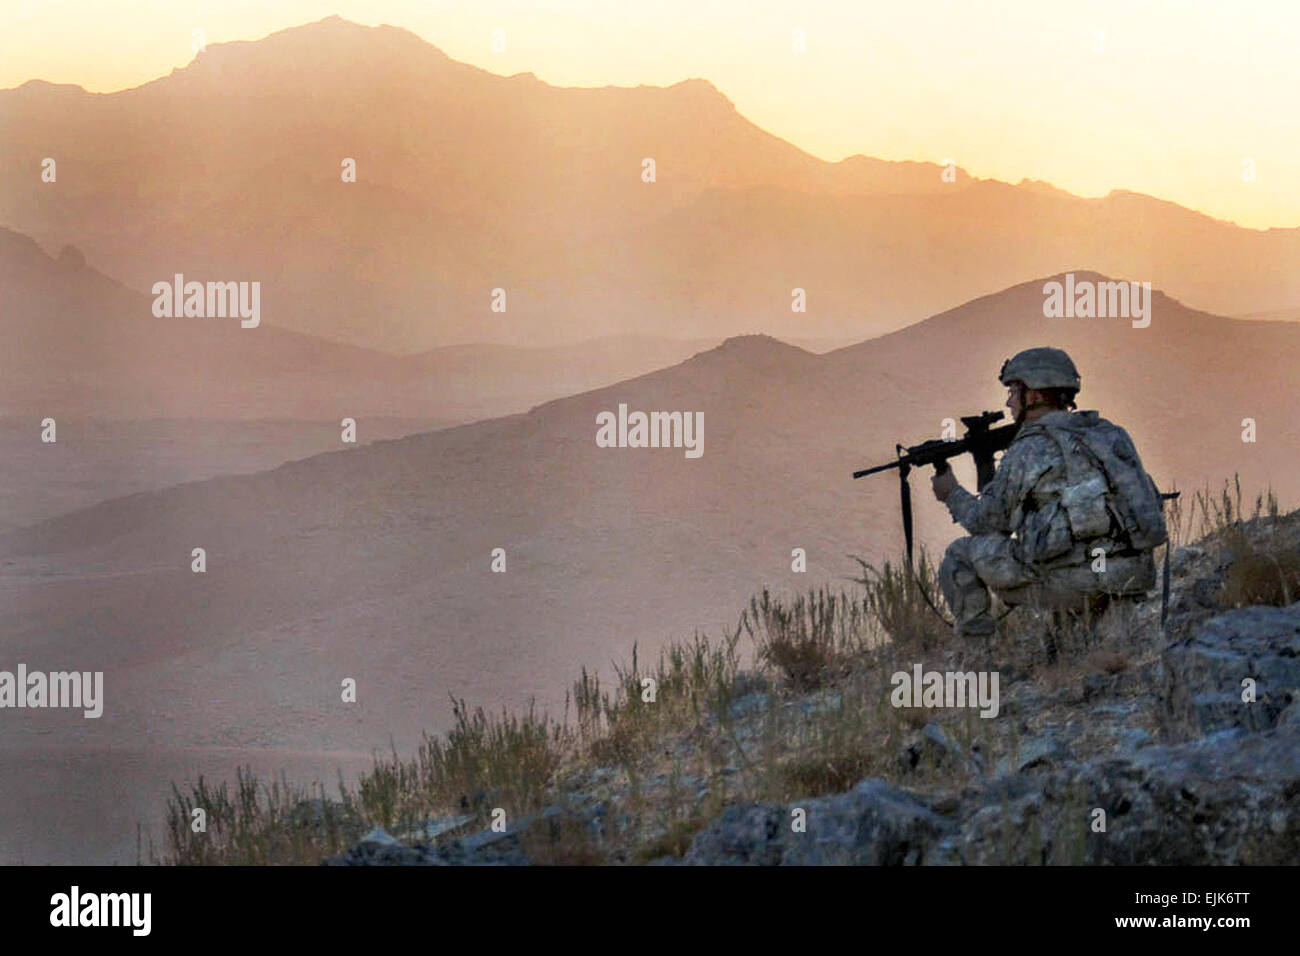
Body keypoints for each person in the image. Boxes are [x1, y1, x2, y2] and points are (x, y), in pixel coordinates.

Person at [930, 347, 1167, 639]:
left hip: (1076, 581)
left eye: (1014, 391)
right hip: (1131, 576)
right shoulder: (1110, 434)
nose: (1008, 401)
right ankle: (1079, 631)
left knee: (960, 554)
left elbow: (987, 523)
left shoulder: (1029, 447)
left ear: (1034, 395)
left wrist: (951, 493)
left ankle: (978, 659)